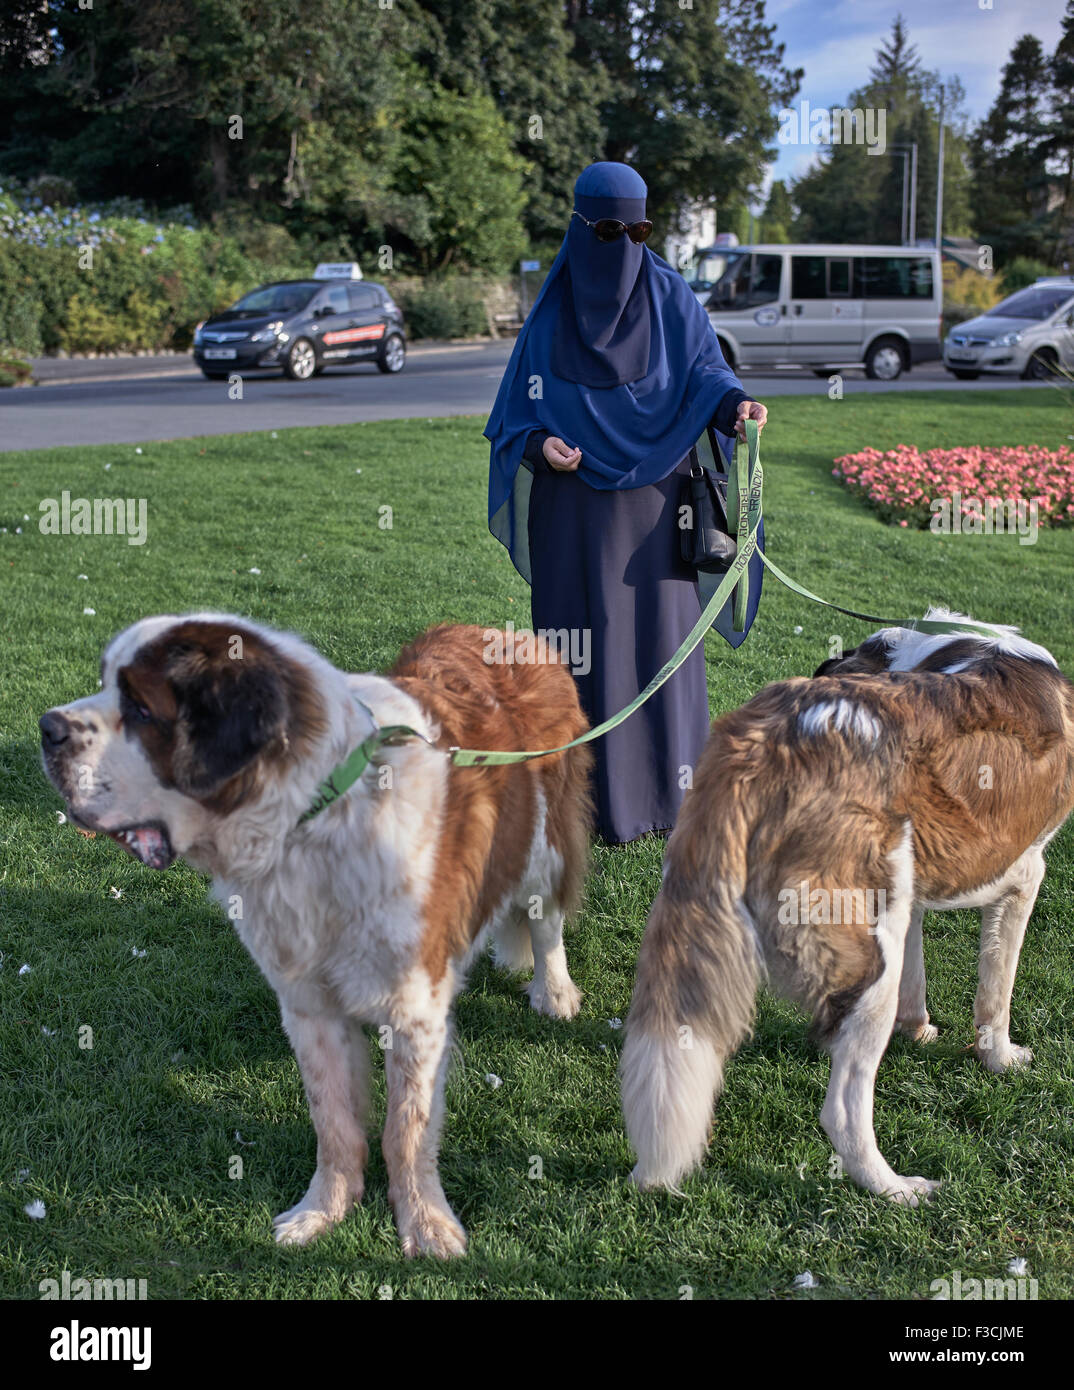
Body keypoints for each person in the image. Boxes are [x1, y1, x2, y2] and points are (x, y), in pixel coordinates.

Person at [485, 161, 768, 845]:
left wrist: (736, 406)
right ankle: (584, 800)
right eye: (609, 229)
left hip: (657, 510)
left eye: (639, 228)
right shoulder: (551, 316)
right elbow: (514, 416)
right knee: (581, 649)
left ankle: (669, 799)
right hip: (573, 515)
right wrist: (542, 444)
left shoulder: (672, 298)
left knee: (658, 642)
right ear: (581, 227)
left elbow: (707, 372)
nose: (626, 245)